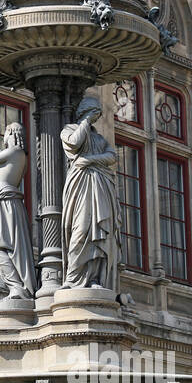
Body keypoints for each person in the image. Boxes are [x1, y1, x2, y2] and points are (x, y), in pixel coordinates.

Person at [60, 98, 120, 291]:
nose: (97, 117)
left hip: (101, 185)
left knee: (99, 232)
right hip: (81, 184)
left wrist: (90, 160)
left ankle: (94, 279)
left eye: (98, 114)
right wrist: (85, 121)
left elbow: (112, 156)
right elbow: (74, 143)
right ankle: (72, 278)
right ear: (85, 112)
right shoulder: (68, 130)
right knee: (80, 229)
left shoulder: (100, 139)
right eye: (94, 112)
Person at [0, 122, 36, 299]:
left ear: (11, 134)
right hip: (3, 201)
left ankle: (16, 286)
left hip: (4, 201)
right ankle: (16, 285)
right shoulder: (20, 155)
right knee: (3, 246)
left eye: (6, 133)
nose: (3, 137)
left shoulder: (15, 152)